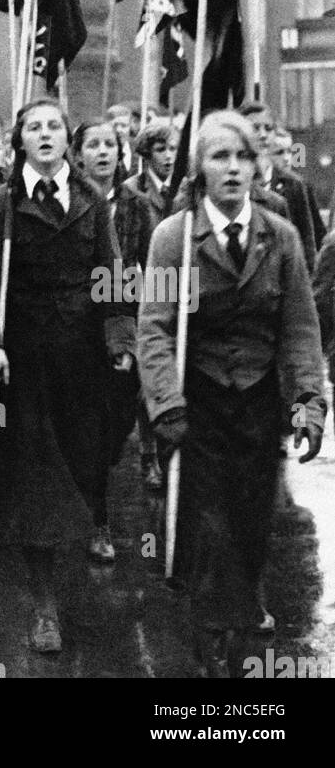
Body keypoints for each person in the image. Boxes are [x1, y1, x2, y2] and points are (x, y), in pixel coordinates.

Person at [138, 110, 326, 678]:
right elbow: (155, 328)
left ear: (256, 166)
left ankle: (231, 613)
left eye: (243, 157)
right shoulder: (175, 238)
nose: (233, 168)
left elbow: (299, 327)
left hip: (259, 399)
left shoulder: (281, 236)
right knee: (207, 520)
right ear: (199, 169)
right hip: (197, 399)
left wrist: (308, 404)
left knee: (249, 521)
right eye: (220, 157)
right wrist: (166, 405)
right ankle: (210, 641)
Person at [0, 97, 132, 655]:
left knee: (86, 470)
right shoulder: (3, 203)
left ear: (69, 140)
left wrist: (120, 341)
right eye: (33, 128)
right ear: (20, 142)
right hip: (27, 359)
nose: (44, 135)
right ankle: (43, 606)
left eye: (53, 127)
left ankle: (66, 574)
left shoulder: (93, 201)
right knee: (38, 479)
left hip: (83, 360)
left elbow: (112, 275)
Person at [73, 118, 161, 495]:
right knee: (84, 418)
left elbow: (155, 265)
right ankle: (93, 511)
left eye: (110, 144)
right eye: (93, 145)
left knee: (120, 414)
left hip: (122, 320)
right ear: (77, 156)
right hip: (76, 321)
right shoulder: (69, 201)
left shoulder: (135, 205)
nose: (103, 152)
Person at [242, 102, 318, 270]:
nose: (262, 135)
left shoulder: (293, 184)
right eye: (255, 128)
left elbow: (306, 240)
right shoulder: (236, 182)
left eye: (268, 128)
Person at [124, 119, 178, 225]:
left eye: (172, 149)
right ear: (147, 154)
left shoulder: (185, 188)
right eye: (160, 150)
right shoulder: (131, 189)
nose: (168, 156)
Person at [107, 103, 134, 175]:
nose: (119, 130)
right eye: (115, 125)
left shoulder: (138, 150)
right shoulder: (104, 151)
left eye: (124, 125)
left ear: (130, 126)